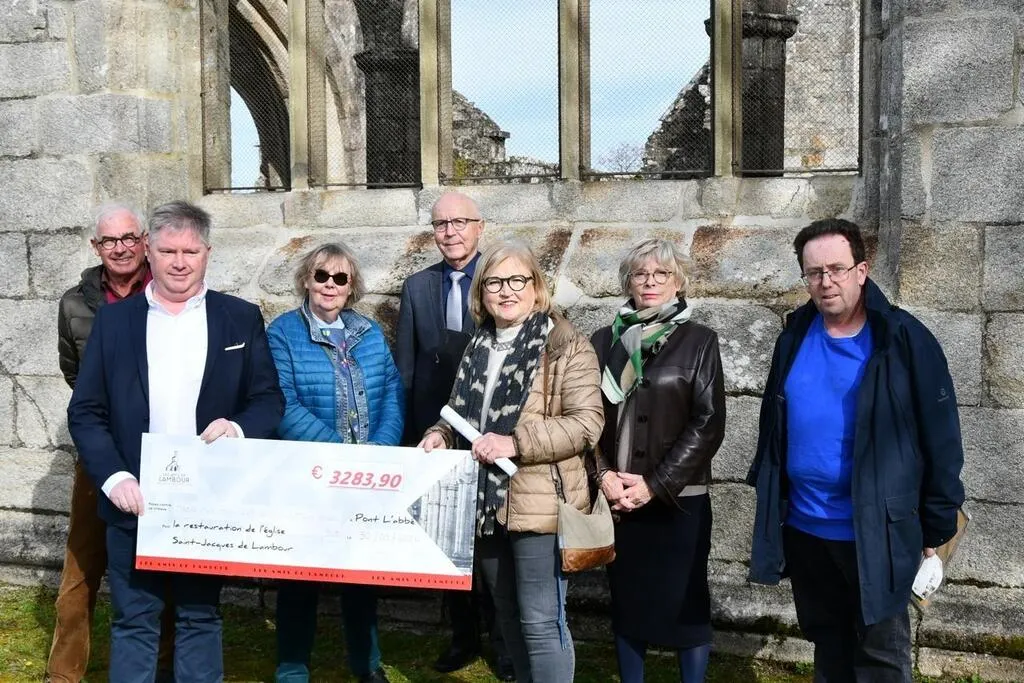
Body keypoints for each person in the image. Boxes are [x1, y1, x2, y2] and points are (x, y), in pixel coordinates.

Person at [67, 200, 285, 683]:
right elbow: (85, 411)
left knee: (200, 617)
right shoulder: (115, 322)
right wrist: (115, 477)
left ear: (207, 252)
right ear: (149, 250)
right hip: (134, 498)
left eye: (190, 250)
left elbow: (268, 399)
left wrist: (238, 428)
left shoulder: (239, 318)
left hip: (205, 502)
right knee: (134, 621)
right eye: (168, 251)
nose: (180, 262)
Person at [747, 218, 966, 682]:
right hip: (807, 530)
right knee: (829, 649)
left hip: (877, 533)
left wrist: (936, 525)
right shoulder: (794, 335)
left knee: (881, 661)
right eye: (813, 273)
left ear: (862, 271)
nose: (825, 283)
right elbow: (776, 426)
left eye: (836, 269)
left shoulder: (903, 340)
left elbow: (943, 440)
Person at [419, 240, 604, 683]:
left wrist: (514, 442)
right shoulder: (478, 345)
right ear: (481, 293)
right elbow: (461, 414)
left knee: (541, 622)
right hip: (485, 504)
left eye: (517, 280)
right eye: (495, 283)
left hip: (540, 503)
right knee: (506, 616)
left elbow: (586, 425)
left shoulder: (565, 345)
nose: (506, 291)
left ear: (536, 287)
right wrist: (439, 435)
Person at [49, 203, 177, 683]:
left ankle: (162, 666)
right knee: (82, 566)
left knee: (162, 562)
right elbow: (73, 374)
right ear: (95, 247)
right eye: (109, 241)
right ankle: (64, 674)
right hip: (101, 456)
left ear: (144, 241)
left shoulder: (168, 290)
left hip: (165, 456)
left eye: (128, 238)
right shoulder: (75, 303)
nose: (120, 248)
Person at [267, 242, 404, 683]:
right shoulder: (283, 333)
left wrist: (376, 456)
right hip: (309, 476)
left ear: (351, 287)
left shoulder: (368, 333)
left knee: (362, 576)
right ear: (307, 280)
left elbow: (392, 398)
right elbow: (282, 402)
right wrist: (339, 455)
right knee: (298, 577)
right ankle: (292, 669)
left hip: (365, 477)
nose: (330, 285)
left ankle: (368, 664)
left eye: (340, 278)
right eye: (321, 275)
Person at [590, 237, 725, 683]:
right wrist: (604, 475)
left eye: (661, 274)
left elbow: (708, 423)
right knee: (628, 600)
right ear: (627, 281)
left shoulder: (699, 340)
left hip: (679, 497)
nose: (650, 282)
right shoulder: (603, 339)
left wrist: (654, 484)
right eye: (640, 273)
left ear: (678, 282)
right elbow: (586, 417)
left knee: (686, 600)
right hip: (618, 500)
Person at [394, 191, 512, 678]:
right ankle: (463, 638)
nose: (451, 232)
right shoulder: (417, 286)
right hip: (437, 433)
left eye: (460, 222)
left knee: (498, 544)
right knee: (450, 544)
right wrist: (411, 433)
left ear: (480, 227)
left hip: (494, 432)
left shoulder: (501, 281)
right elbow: (406, 365)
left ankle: (505, 644)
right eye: (441, 224)